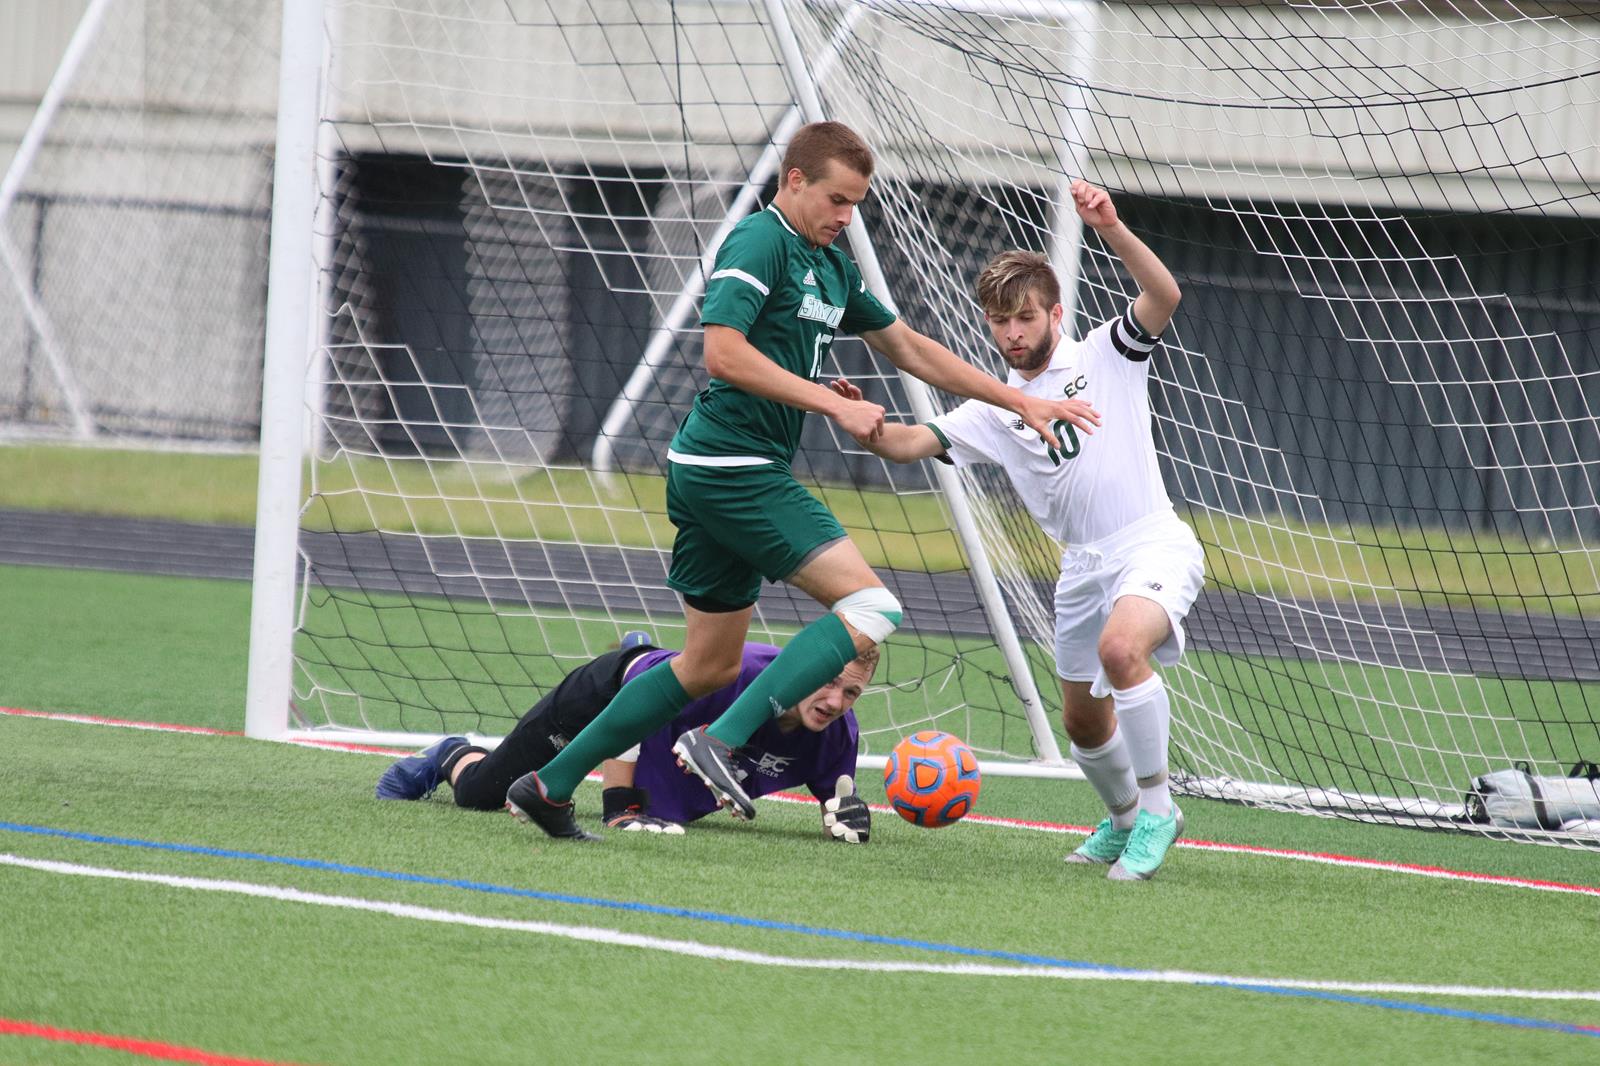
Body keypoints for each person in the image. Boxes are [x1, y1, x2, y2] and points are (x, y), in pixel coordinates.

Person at [506, 120, 1099, 839]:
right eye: (837, 200)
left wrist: (1021, 398)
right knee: (872, 608)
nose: (846, 216)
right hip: (731, 467)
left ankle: (550, 785)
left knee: (706, 666)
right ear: (794, 182)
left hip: (726, 471)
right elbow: (722, 355)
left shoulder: (832, 265)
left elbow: (909, 347)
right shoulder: (761, 241)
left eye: (856, 204)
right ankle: (718, 743)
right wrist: (828, 403)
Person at [842, 180, 1202, 880]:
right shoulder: (991, 406)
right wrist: (862, 423)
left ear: (1054, 313)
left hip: (1150, 542)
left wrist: (1114, 229)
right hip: (1081, 567)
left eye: (1025, 317)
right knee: (1082, 725)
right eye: (1000, 321)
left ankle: (1159, 810)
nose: (1013, 333)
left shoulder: (1105, 355)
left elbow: (1165, 298)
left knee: (1123, 650)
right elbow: (912, 444)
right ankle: (1126, 817)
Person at [375, 633, 877, 844]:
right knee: (481, 795)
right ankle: (451, 753)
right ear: (801, 666)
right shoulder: (741, 674)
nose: (835, 700)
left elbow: (837, 794)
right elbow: (637, 706)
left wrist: (845, 816)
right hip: (609, 692)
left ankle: (643, 643)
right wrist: (621, 804)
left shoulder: (837, 732)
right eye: (828, 681)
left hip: (648, 701)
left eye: (851, 692)